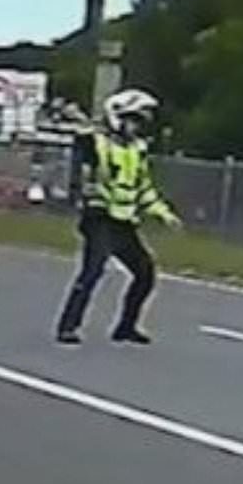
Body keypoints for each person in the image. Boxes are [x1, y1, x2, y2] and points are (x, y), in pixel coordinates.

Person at [54, 88, 181, 345]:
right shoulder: (98, 143)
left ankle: (126, 327)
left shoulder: (137, 149)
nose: (136, 127)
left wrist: (163, 213)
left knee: (145, 272)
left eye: (139, 122)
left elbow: (143, 188)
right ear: (118, 118)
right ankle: (68, 326)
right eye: (132, 120)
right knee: (93, 271)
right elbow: (85, 154)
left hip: (124, 222)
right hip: (99, 218)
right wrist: (80, 128)